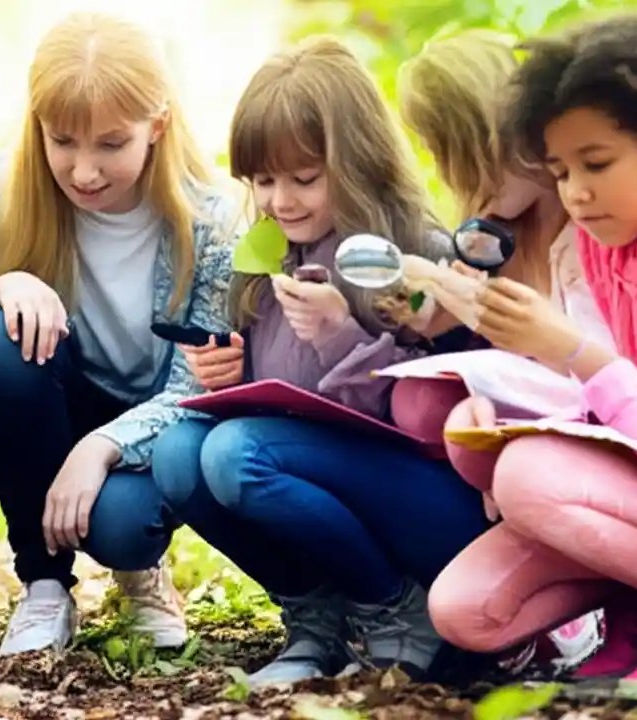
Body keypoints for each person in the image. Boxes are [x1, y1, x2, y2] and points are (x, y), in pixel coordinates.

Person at [150, 36, 487, 686]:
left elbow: (426, 415)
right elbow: (281, 397)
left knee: (235, 455)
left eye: (304, 179)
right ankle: (318, 619)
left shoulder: (413, 252)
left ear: (357, 161)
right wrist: (233, 372)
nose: (280, 201)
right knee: (178, 454)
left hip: (422, 497)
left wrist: (338, 335)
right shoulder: (265, 255)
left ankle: (397, 608)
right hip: (311, 471)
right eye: (263, 181)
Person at [0, 11, 246, 656]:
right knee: (8, 340)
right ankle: (43, 585)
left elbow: (193, 384)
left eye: (111, 144)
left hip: (150, 417)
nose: (83, 171)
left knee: (119, 528)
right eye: (63, 141)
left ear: (158, 125)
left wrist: (101, 447)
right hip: (54, 397)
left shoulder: (212, 221)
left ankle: (139, 573)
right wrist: (5, 287)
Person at [426, 11, 637, 694]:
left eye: (597, 164)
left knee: (529, 476)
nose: (576, 193)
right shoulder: (598, 245)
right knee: (464, 610)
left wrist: (573, 352)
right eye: (561, 171)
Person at [388, 30, 616, 674]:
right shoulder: (495, 236)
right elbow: (500, 355)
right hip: (546, 451)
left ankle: (626, 609)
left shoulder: (593, 226)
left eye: (455, 154)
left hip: (612, 440)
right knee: (424, 403)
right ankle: (577, 607)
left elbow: (609, 365)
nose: (449, 176)